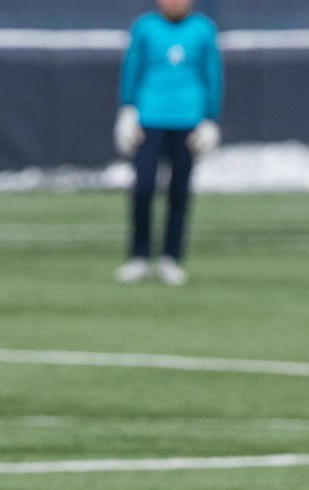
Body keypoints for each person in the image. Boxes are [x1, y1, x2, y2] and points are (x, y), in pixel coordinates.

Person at [114, 0, 222, 286]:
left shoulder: (203, 29)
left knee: (179, 191)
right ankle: (139, 256)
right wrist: (127, 109)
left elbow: (212, 74)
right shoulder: (145, 27)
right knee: (144, 187)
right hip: (150, 116)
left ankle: (171, 257)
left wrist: (210, 117)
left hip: (188, 118)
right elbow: (132, 68)